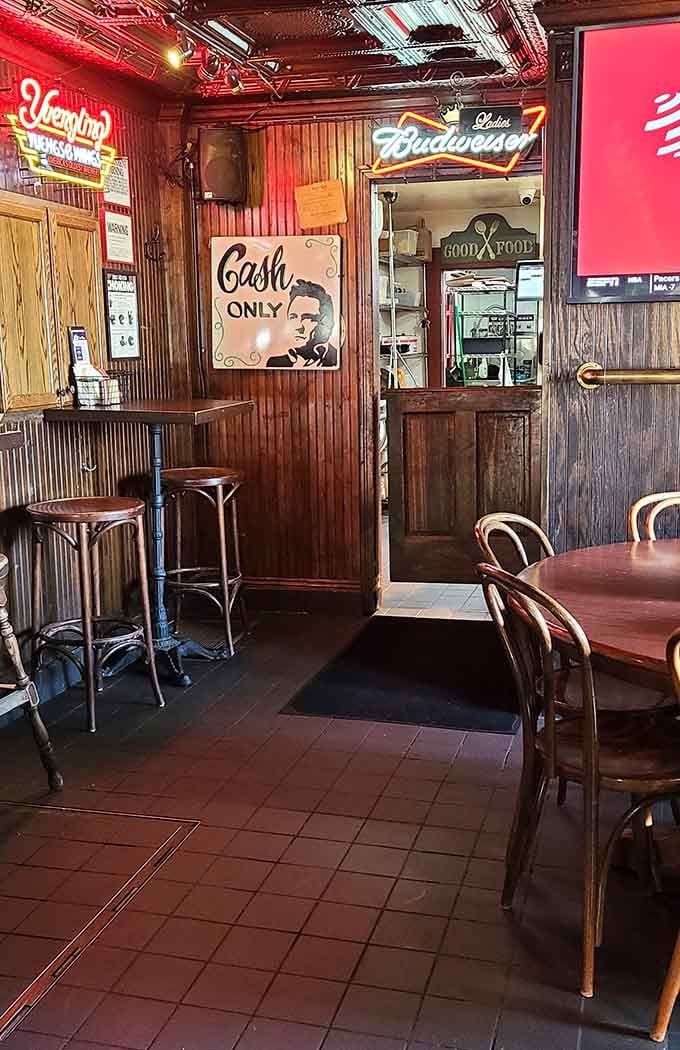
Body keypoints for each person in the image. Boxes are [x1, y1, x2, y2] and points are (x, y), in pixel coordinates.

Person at [267, 279, 338, 368]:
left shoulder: (335, 360)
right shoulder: (275, 363)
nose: (298, 327)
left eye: (307, 318)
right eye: (293, 317)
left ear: (325, 322)